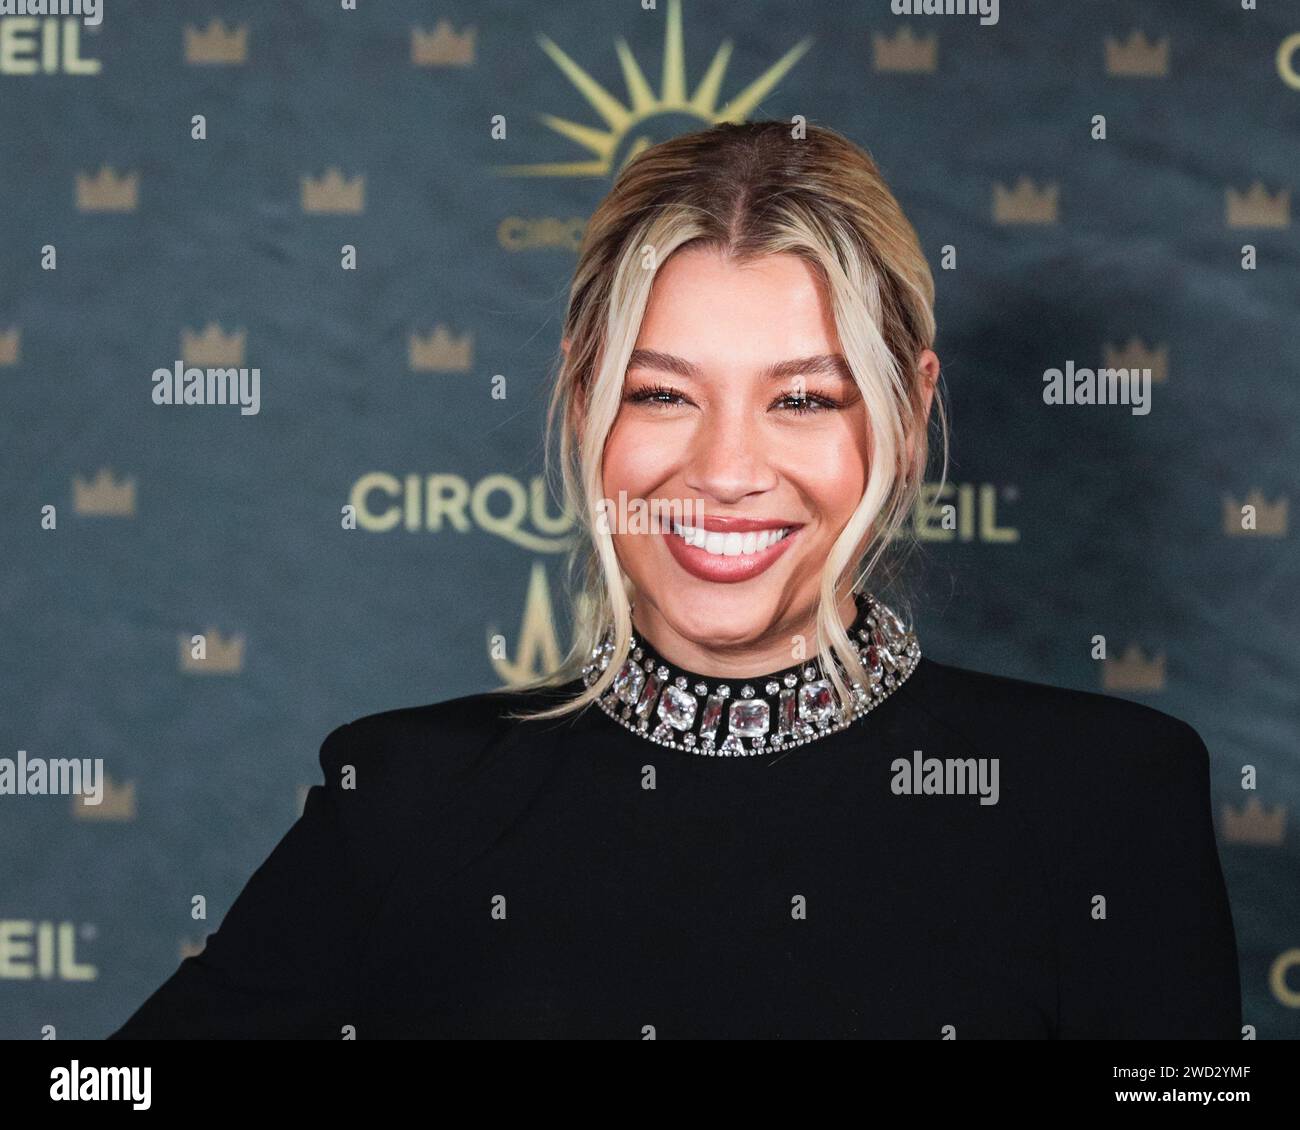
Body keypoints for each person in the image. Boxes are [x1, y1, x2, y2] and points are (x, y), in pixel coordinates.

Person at [109, 120, 1240, 1039]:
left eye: (801, 397)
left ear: (905, 417)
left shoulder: (1104, 800)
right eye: (661, 393)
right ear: (581, 397)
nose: (725, 471)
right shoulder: (404, 799)